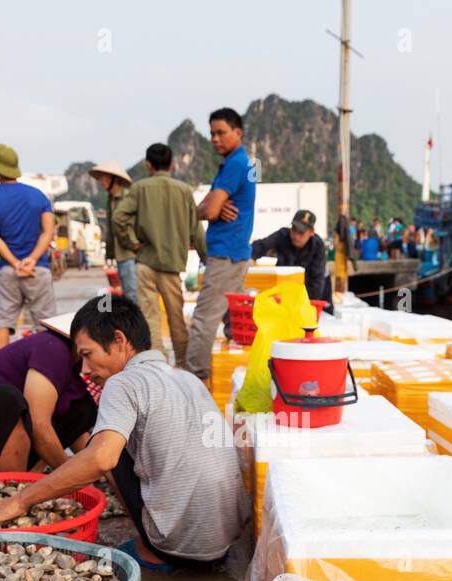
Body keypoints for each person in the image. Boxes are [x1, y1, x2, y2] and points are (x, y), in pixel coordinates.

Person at [0, 295, 248, 570]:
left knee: (105, 445)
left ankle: (150, 550)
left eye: (87, 355)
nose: (85, 370)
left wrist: (19, 501)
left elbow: (101, 459)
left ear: (119, 340)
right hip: (224, 541)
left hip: (177, 548)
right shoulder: (187, 378)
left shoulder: (124, 382)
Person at [0, 321, 98, 477]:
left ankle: (27, 479)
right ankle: (15, 490)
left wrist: (101, 470)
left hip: (6, 449)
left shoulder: (75, 364)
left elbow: (77, 430)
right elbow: (39, 427)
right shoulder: (52, 347)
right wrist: (72, 477)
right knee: (7, 399)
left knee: (84, 407)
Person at [113, 142, 207, 361]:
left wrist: (132, 242)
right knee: (176, 318)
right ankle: (183, 364)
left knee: (150, 317)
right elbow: (196, 229)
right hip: (172, 265)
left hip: (145, 262)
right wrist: (206, 258)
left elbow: (119, 217)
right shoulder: (184, 190)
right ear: (172, 164)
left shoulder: (139, 188)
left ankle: (157, 363)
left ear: (148, 165)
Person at [186, 107, 256, 382]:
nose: (215, 139)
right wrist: (210, 205)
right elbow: (213, 206)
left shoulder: (235, 164)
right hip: (236, 251)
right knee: (234, 318)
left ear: (237, 133)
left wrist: (203, 208)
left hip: (225, 252)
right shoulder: (238, 163)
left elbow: (210, 210)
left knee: (204, 319)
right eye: (212, 133)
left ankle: (195, 380)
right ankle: (235, 375)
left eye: (221, 132)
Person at [0, 143, 57, 352]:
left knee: (3, 320)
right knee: (46, 323)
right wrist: (31, 260)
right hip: (38, 269)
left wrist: (15, 263)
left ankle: (1, 370)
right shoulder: (38, 195)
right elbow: (48, 232)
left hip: (8, 270)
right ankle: (46, 367)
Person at [249, 209, 333, 312]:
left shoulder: (318, 246)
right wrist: (249, 258)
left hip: (310, 294)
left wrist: (305, 307)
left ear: (311, 232)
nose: (296, 235)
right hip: (283, 294)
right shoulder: (282, 235)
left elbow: (316, 282)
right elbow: (260, 246)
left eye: (301, 232)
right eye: (294, 229)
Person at [88, 161, 136, 303]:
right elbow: (111, 230)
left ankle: (135, 324)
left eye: (105, 178)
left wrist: (131, 243)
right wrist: (109, 254)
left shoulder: (127, 197)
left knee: (131, 293)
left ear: (114, 179)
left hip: (128, 253)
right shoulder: (111, 200)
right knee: (123, 293)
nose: (101, 182)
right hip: (119, 254)